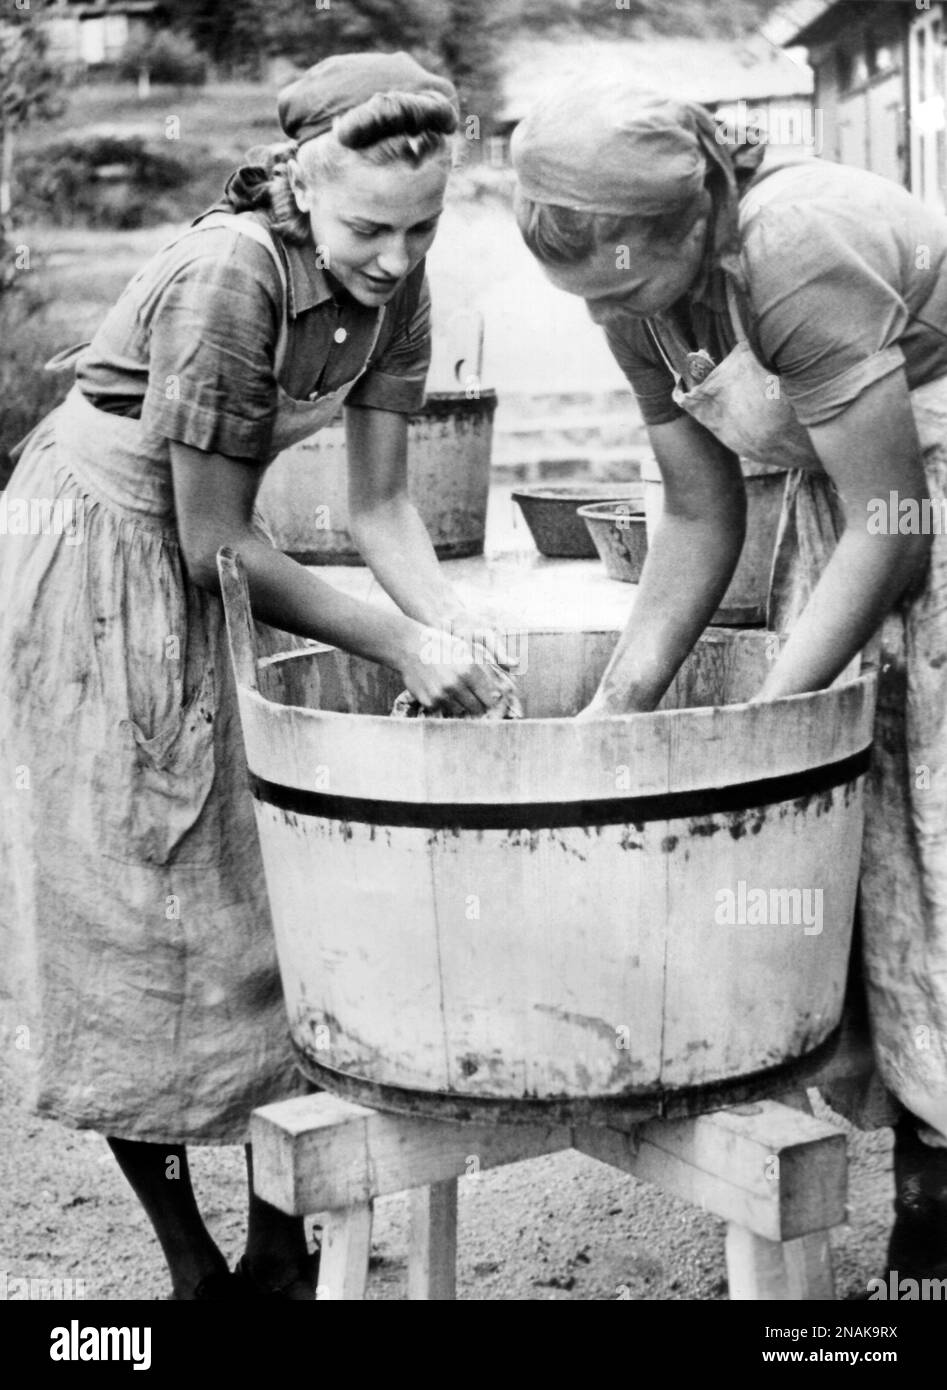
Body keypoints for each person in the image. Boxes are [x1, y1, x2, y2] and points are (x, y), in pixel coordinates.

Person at [0, 51, 513, 1301]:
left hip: (210, 553)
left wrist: (453, 629)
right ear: (299, 183)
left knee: (277, 882)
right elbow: (212, 542)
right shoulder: (235, 269)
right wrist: (394, 647)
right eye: (367, 227)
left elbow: (383, 504)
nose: (394, 255)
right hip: (99, 553)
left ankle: (281, 1239)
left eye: (422, 223)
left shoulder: (398, 275)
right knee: (143, 908)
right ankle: (194, 1267)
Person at [511, 76, 947, 1285]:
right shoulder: (628, 290)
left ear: (694, 217)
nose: (614, 314)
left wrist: (770, 720)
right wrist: (618, 702)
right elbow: (700, 513)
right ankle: (928, 1173)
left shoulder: (792, 246)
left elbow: (898, 521)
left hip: (919, 504)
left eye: (628, 288)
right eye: (592, 299)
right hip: (854, 525)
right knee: (880, 864)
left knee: (938, 836)